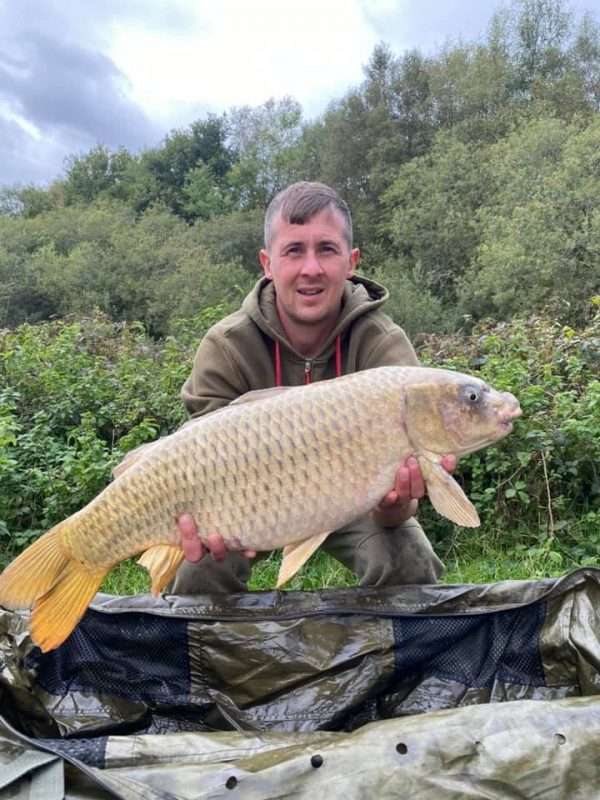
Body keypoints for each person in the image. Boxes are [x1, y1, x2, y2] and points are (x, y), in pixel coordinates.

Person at [170, 181, 452, 594]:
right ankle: (210, 659)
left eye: (327, 249)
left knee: (409, 559)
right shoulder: (226, 347)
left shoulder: (383, 345)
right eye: (294, 250)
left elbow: (399, 507)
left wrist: (396, 506)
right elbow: (203, 470)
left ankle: (391, 657)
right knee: (200, 573)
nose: (311, 269)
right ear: (267, 263)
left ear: (351, 261)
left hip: (354, 501)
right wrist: (204, 522)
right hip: (247, 502)